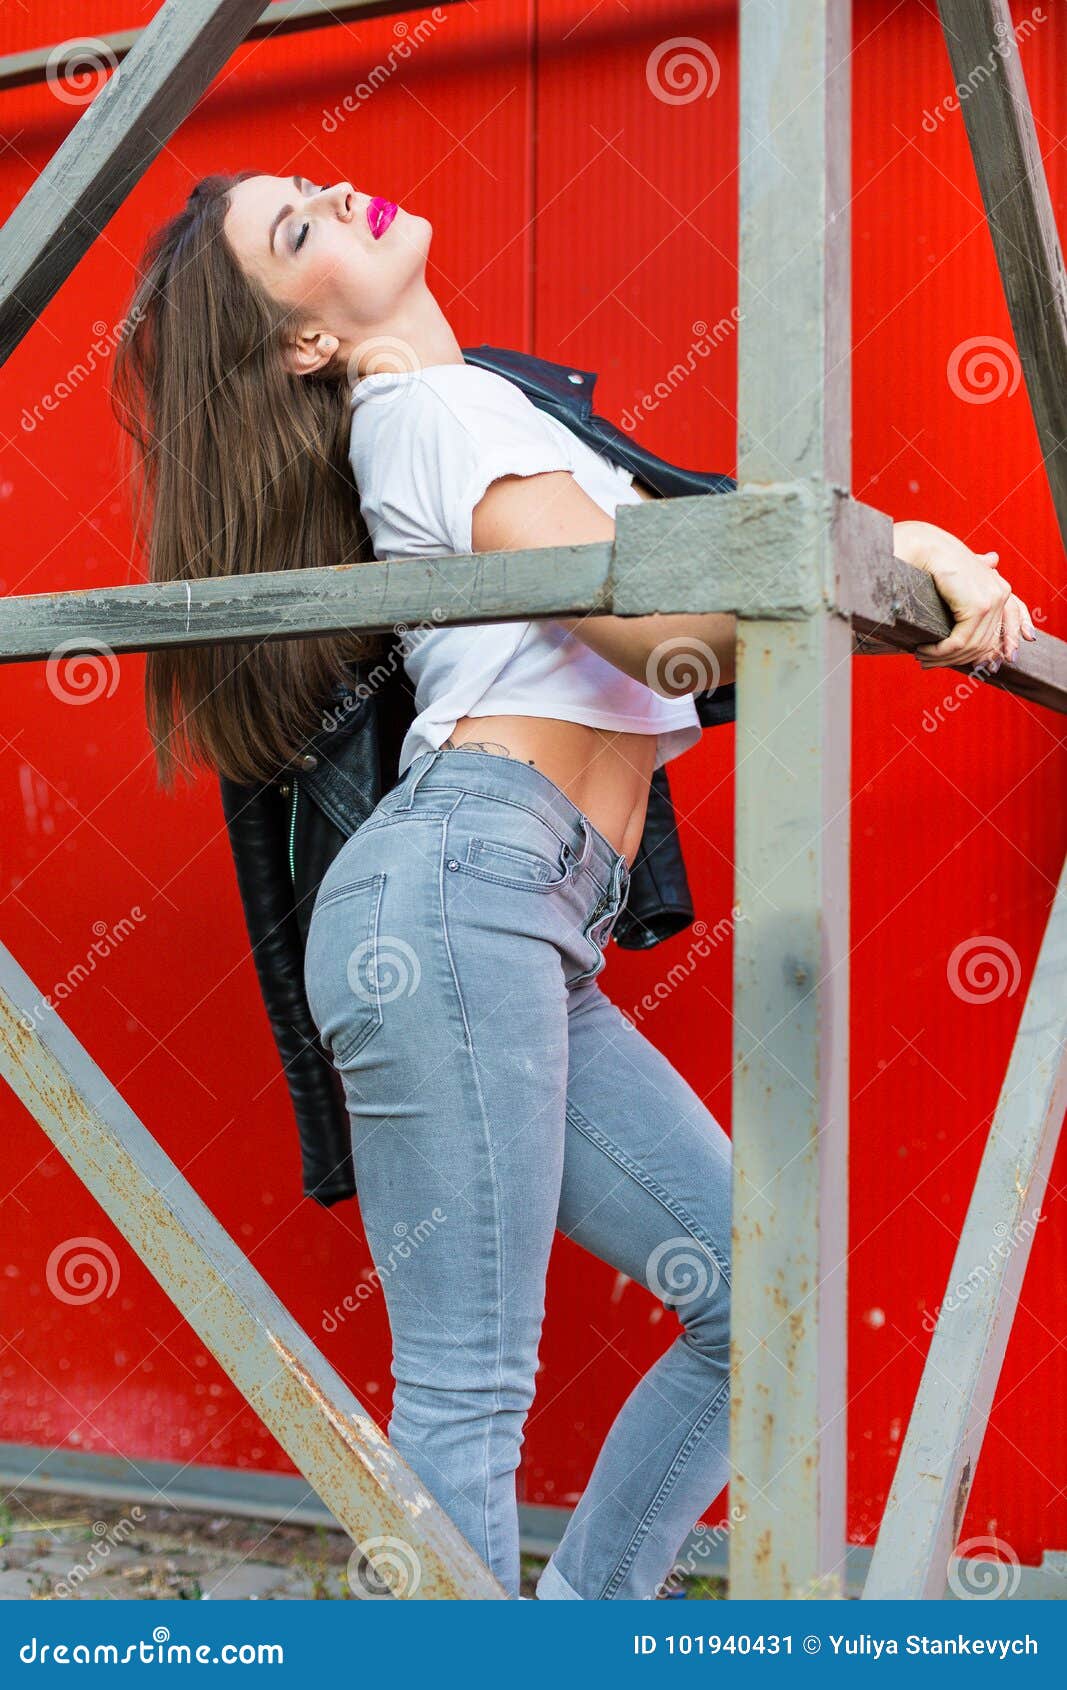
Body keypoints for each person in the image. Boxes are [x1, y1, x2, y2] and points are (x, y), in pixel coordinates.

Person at [111, 172, 1037, 1600]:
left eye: (308, 190)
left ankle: (578, 1627)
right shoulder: (432, 409)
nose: (340, 197)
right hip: (465, 887)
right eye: (298, 233)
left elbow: (671, 620)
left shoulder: (463, 409)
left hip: (527, 908)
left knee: (745, 1288)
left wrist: (887, 559)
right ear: (303, 345)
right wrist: (898, 549)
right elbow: (656, 624)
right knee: (470, 1391)